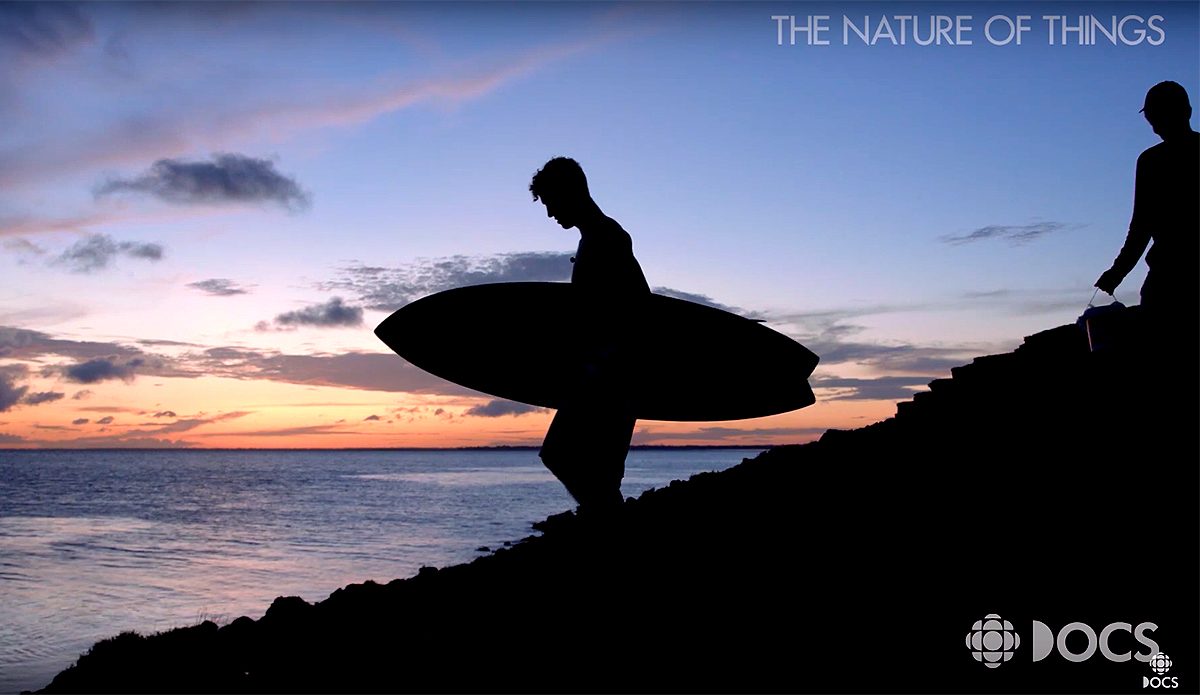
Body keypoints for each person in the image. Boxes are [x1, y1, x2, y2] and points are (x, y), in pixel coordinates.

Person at [529, 157, 650, 513]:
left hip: (611, 377)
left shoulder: (608, 238)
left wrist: (600, 363)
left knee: (562, 455)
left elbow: (636, 308)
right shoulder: (593, 238)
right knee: (597, 471)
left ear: (571, 192)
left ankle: (608, 523)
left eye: (551, 201)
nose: (550, 213)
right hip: (604, 374)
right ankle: (606, 526)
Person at [1095, 81, 1199, 328]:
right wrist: (1117, 272)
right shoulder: (1150, 160)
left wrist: (1117, 272)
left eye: (1156, 118)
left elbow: (1141, 227)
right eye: (1151, 119)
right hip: (1166, 277)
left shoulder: (1152, 162)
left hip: (1169, 279)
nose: (1154, 128)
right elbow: (1141, 226)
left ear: (1184, 112)